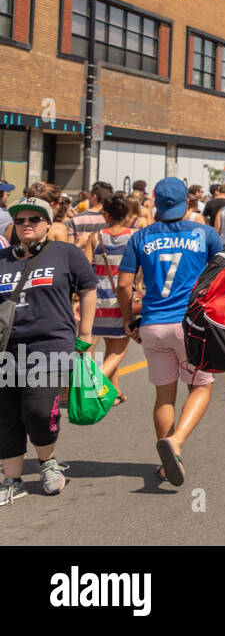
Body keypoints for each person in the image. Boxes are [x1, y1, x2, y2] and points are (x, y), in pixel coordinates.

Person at [117, 178, 222, 486]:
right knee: (201, 387)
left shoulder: (140, 237)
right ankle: (175, 444)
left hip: (152, 323)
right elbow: (222, 276)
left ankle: (167, 463)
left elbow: (124, 285)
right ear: (187, 202)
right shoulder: (205, 234)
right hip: (189, 325)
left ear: (155, 202)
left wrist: (128, 321)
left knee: (164, 395)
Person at [0, 197, 98, 505]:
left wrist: (85, 333)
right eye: (20, 220)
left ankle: (47, 462)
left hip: (50, 344)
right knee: (5, 418)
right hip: (6, 350)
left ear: (47, 223)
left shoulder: (65, 253)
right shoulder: (3, 259)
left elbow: (88, 288)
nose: (26, 225)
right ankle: (11, 479)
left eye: (34, 219)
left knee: (39, 411)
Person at [86, 192, 137, 401]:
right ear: (126, 214)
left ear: (105, 214)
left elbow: (84, 269)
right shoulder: (134, 236)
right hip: (121, 296)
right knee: (119, 349)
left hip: (98, 297)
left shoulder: (95, 237)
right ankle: (92, 383)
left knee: (109, 347)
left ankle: (114, 392)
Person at [70, 181, 112, 248]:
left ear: (94, 197)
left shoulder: (76, 219)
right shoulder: (112, 219)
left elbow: (69, 248)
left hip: (81, 257)